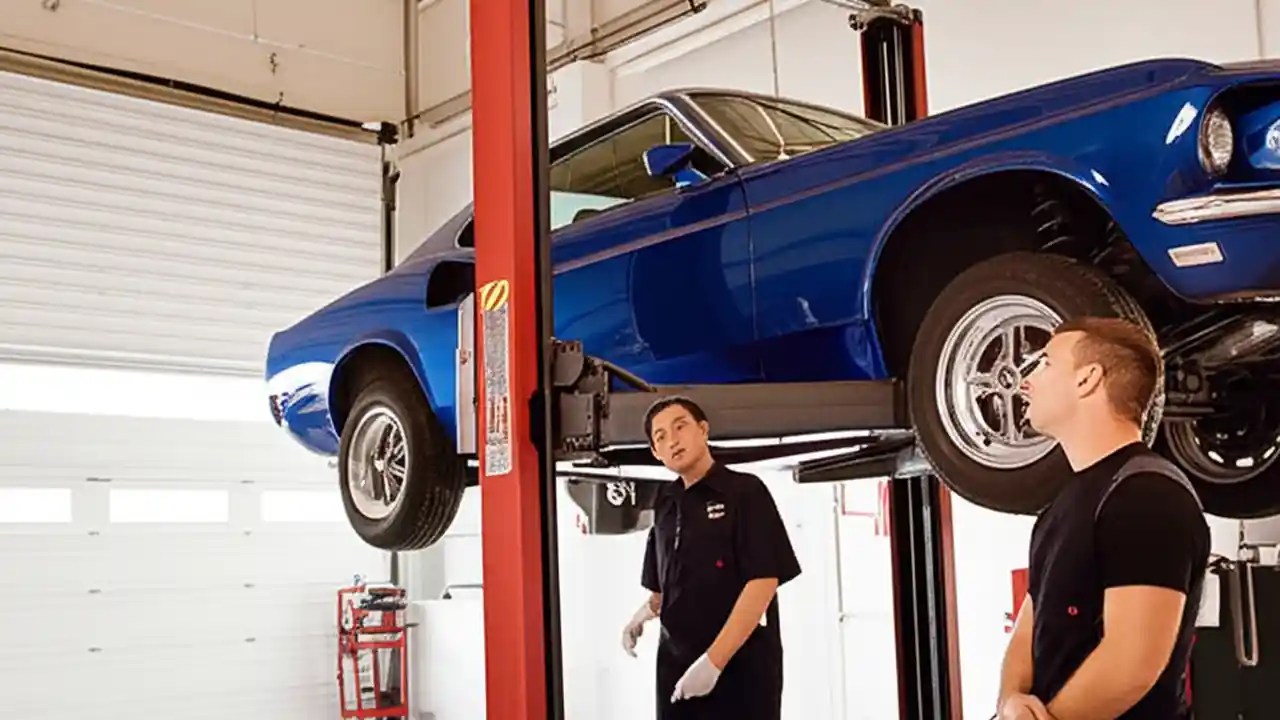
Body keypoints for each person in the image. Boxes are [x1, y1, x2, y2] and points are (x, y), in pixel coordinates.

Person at [996, 316, 1210, 720]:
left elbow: (1131, 665)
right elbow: (1028, 629)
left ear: (1087, 379)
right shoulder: (1060, 508)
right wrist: (1010, 701)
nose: (1025, 381)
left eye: (1044, 364)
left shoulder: (1148, 495)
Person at [620, 395, 802, 719]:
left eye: (681, 427)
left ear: (703, 430)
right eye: (661, 436)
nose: (673, 440)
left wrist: (713, 662)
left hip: (740, 672)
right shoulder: (666, 504)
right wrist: (639, 617)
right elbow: (663, 587)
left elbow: (762, 582)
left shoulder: (744, 492)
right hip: (676, 674)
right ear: (655, 452)